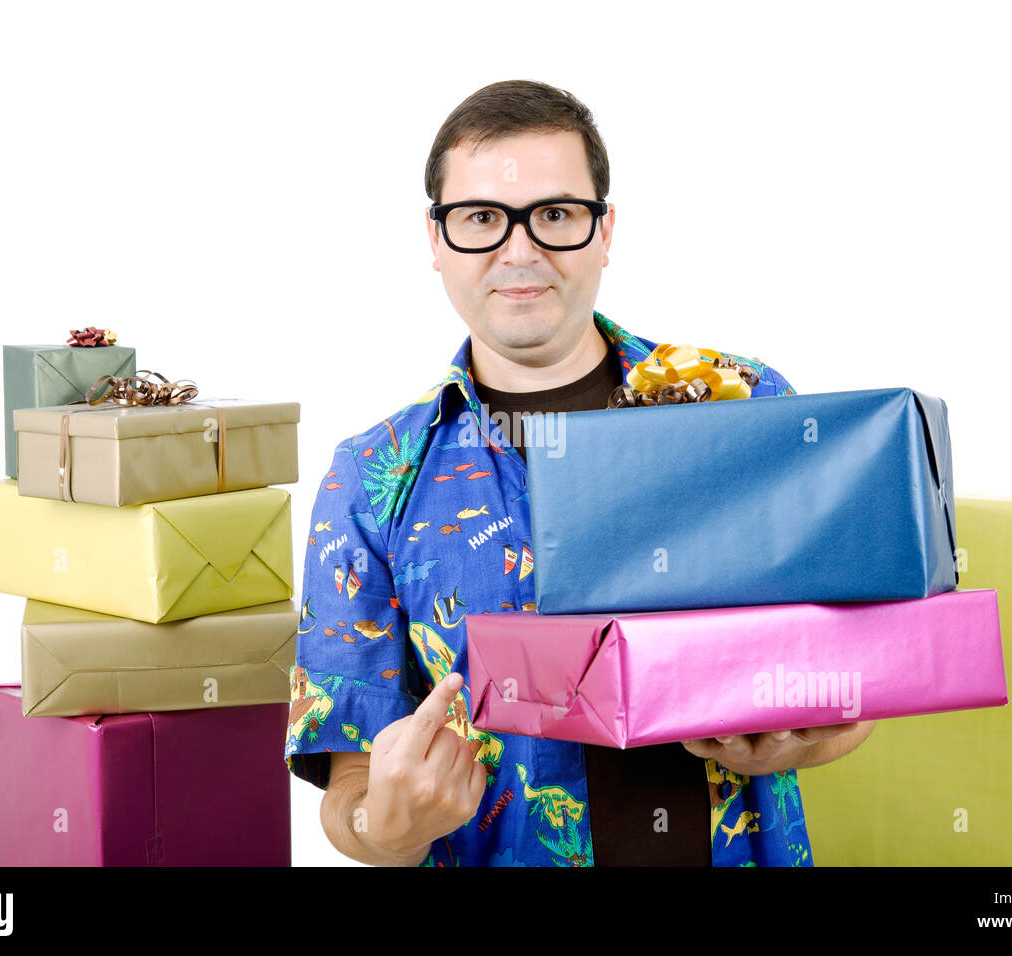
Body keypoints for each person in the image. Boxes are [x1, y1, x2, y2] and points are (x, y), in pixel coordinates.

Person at [285, 79, 875, 867]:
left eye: (556, 215)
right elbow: (351, 786)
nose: (520, 250)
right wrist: (385, 830)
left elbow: (856, 675)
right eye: (482, 218)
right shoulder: (370, 478)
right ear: (436, 238)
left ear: (604, 230)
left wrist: (803, 739)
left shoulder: (745, 407)